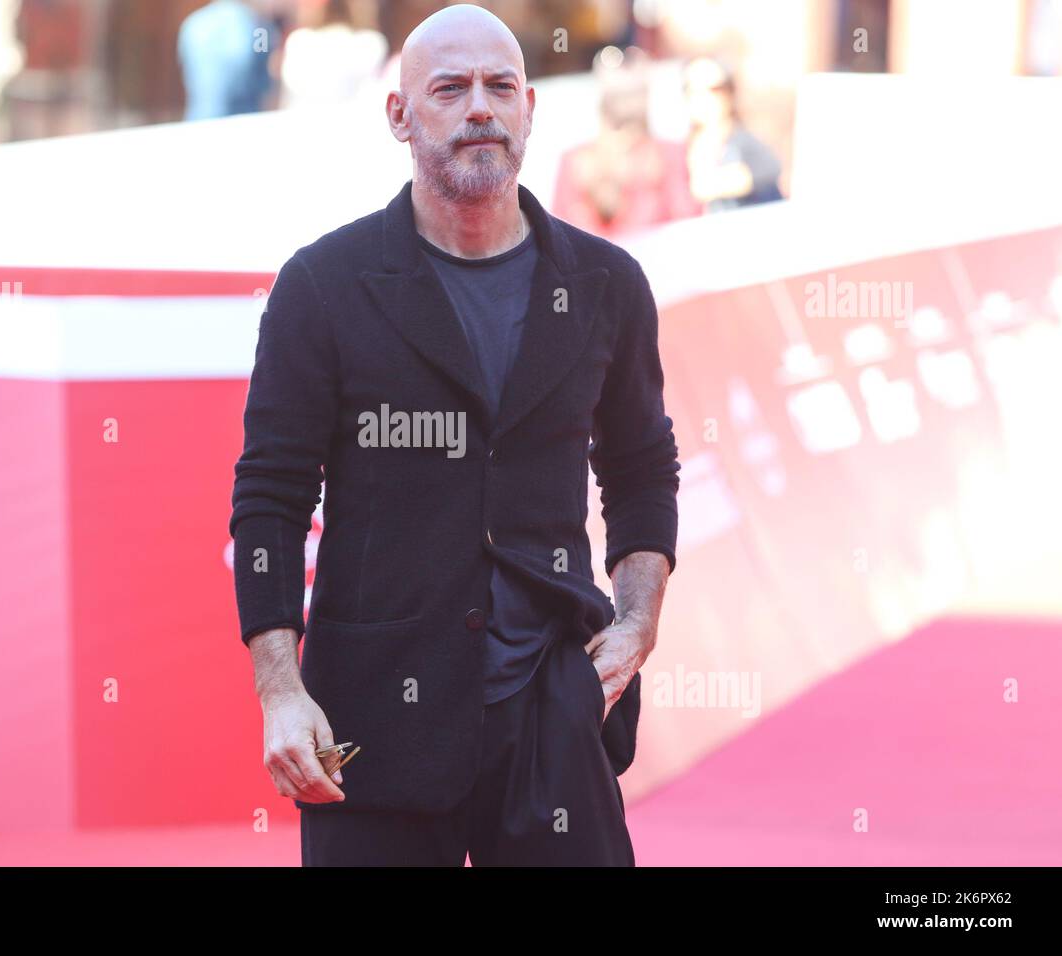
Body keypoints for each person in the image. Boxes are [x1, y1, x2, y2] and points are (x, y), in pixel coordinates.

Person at [229, 3, 679, 866]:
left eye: (500, 86)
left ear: (530, 110)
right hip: (371, 723)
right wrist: (280, 693)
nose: (481, 108)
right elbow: (270, 503)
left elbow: (642, 469)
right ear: (400, 116)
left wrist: (635, 627)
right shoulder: (324, 286)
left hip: (553, 712)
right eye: (451, 88)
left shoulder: (604, 284)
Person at [553, 46, 701, 237]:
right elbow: (560, 232)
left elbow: (686, 221)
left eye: (633, 94)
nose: (628, 102)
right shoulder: (575, 160)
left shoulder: (671, 153)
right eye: (621, 96)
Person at [682, 55, 783, 212]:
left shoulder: (742, 141)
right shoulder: (682, 147)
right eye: (694, 90)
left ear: (729, 92)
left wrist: (723, 182)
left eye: (714, 89)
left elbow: (770, 169)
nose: (705, 98)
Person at [178, 0, 278, 121]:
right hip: (243, 121)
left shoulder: (194, 22)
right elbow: (264, 83)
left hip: (199, 119)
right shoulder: (260, 30)